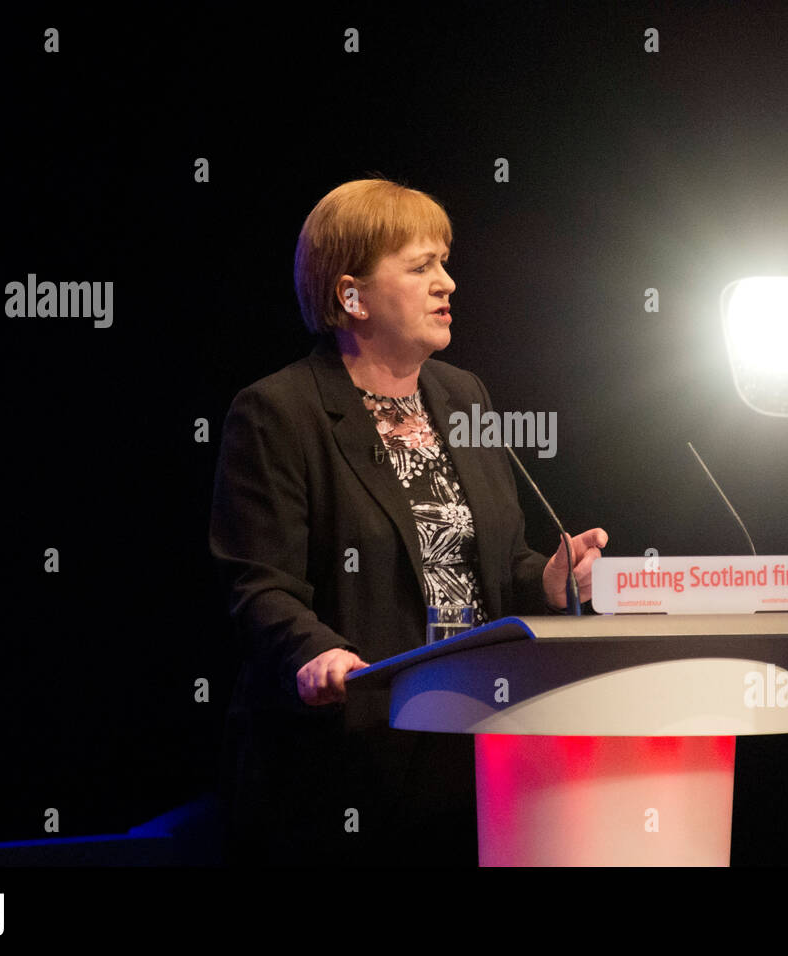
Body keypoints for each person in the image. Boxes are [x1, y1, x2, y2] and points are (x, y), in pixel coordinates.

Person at [209, 177, 607, 865]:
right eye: (422, 266)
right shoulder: (279, 412)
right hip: (350, 759)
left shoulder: (463, 396)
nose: (447, 282)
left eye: (444, 262)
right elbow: (260, 585)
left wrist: (542, 580)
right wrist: (317, 652)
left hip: (481, 741)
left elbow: (491, 563)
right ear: (350, 296)